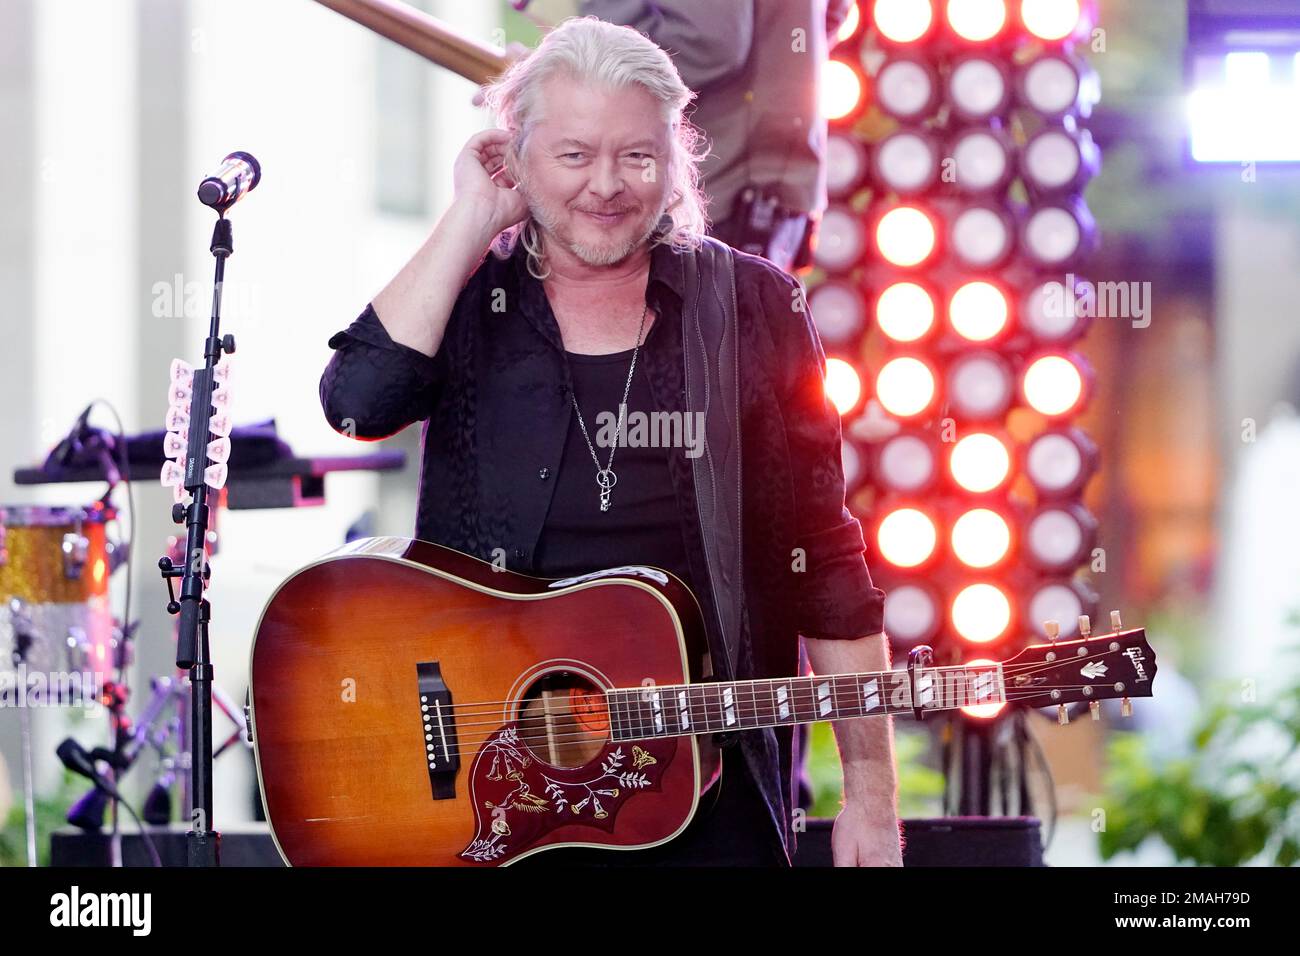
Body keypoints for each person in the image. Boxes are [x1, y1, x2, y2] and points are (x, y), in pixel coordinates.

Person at [320, 16, 899, 866]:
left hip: (706, 801)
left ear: (675, 161)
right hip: (493, 796)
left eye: (636, 156)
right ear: (515, 158)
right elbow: (357, 404)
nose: (607, 186)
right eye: (572, 155)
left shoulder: (756, 311)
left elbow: (829, 567)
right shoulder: (473, 301)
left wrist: (872, 798)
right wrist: (471, 218)